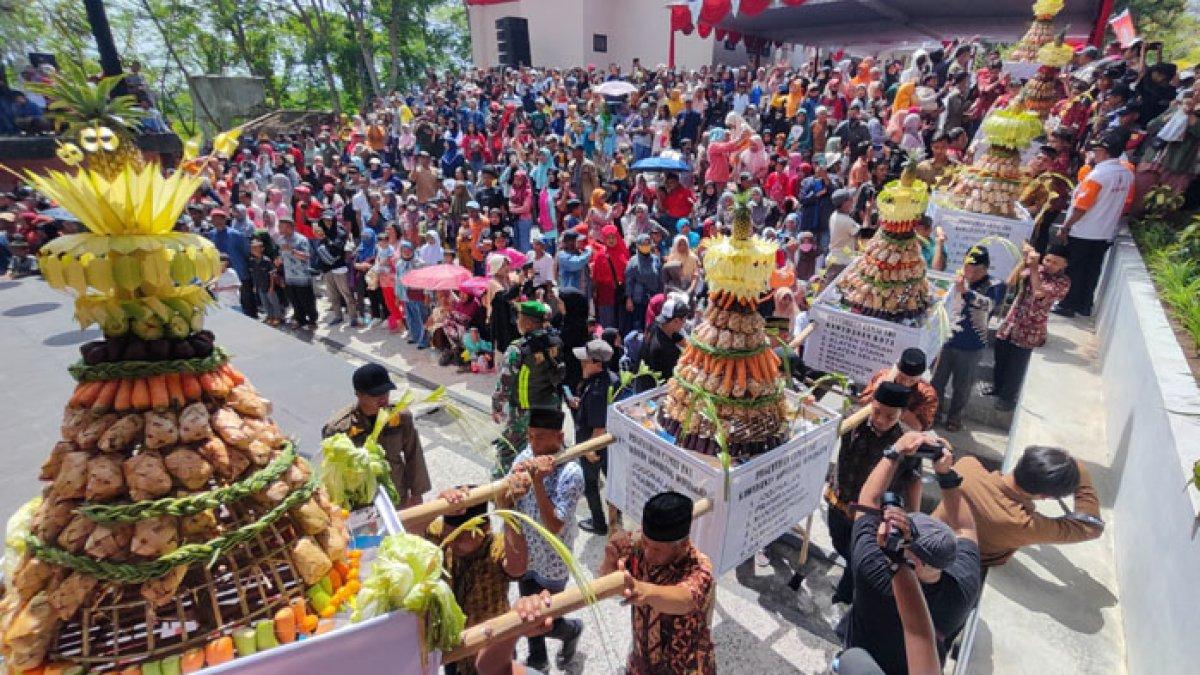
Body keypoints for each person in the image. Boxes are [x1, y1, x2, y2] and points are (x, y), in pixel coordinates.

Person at [847, 433, 982, 674]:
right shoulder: (963, 589)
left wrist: (896, 450)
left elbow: (869, 498)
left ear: (913, 557)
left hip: (863, 659)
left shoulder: (872, 569)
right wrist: (945, 475)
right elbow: (965, 528)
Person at [600, 491, 716, 674]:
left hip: (685, 667)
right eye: (645, 542)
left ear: (683, 545)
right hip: (642, 662)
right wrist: (610, 559)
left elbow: (686, 598)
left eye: (657, 549)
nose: (647, 553)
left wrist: (642, 590)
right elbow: (604, 582)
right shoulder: (639, 544)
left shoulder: (699, 567)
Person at [932, 445, 1103, 567]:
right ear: (1045, 497)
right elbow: (1091, 528)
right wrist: (1082, 476)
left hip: (927, 538)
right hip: (959, 568)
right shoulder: (1020, 523)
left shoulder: (966, 466)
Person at [418, 486, 528, 675]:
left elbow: (517, 567)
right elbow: (407, 532)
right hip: (454, 647)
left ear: (485, 528)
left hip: (488, 648)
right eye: (451, 534)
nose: (455, 541)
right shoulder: (443, 536)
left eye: (463, 535)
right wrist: (436, 506)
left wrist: (509, 512)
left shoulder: (496, 547)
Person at [506, 408, 585, 671]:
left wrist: (538, 481)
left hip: (552, 560)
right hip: (527, 554)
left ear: (558, 436)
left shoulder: (571, 473)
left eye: (539, 437)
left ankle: (571, 630)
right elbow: (509, 498)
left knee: (548, 619)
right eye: (530, 436)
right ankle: (537, 658)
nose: (533, 443)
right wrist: (515, 483)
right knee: (528, 615)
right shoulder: (527, 456)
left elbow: (555, 525)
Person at [826, 381, 918, 605]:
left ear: (902, 414)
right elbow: (821, 426)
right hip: (839, 501)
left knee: (857, 555)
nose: (881, 420)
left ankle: (846, 595)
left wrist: (913, 517)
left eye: (890, 416)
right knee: (840, 544)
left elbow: (912, 479)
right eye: (877, 412)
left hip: (871, 515)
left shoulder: (907, 442)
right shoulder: (851, 420)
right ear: (871, 404)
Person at [321, 363, 431, 507]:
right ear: (359, 394)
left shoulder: (399, 416)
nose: (383, 398)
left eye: (386, 392)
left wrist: (417, 494)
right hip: (362, 503)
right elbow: (334, 474)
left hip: (397, 495)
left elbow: (414, 454)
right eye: (375, 395)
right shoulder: (339, 428)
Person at [1053, 133, 1135, 318]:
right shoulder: (1126, 173)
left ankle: (1067, 304)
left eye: (1096, 151)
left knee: (1075, 269)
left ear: (1104, 152)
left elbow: (1082, 206)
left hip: (1084, 230)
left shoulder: (1098, 175)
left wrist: (1066, 226)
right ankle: (1084, 305)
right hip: (1105, 232)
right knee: (1092, 270)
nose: (1093, 154)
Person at [988, 244, 1071, 411]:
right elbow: (1011, 281)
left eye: (1055, 263)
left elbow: (1039, 292)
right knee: (1001, 358)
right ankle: (997, 388)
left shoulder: (1063, 282)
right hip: (1011, 322)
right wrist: (1024, 261)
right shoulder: (1036, 269)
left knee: (1016, 365)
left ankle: (1008, 398)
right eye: (1047, 260)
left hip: (1030, 329)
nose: (1049, 265)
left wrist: (1033, 269)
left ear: (1064, 265)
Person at [932, 247, 1005, 431]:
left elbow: (988, 305)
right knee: (937, 382)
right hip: (947, 339)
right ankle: (934, 413)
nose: (969, 273)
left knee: (962, 386)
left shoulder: (995, 285)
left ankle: (955, 417)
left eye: (976, 270)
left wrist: (967, 292)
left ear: (986, 268)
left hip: (971, 345)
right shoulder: (956, 278)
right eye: (967, 268)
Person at [492, 301, 566, 478]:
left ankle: (501, 491)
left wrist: (496, 407)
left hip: (524, 412)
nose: (517, 321)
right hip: (551, 407)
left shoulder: (517, 349)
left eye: (519, 318)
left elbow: (504, 383)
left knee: (506, 451)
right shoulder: (555, 341)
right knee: (545, 447)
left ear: (528, 322)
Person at [571, 339, 618, 535]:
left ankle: (599, 524)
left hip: (594, 447)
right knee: (613, 482)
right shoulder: (611, 379)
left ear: (597, 364)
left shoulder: (598, 390)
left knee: (591, 486)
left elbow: (599, 427)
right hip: (609, 447)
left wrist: (589, 449)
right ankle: (617, 519)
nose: (581, 363)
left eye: (585, 360)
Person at [859, 348, 939, 432]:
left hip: (903, 433)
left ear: (920, 377)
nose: (905, 383)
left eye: (911, 380)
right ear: (896, 370)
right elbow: (862, 403)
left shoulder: (926, 394)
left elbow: (919, 427)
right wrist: (879, 391)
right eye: (901, 377)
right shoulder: (884, 377)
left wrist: (897, 407)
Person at [633, 294, 689, 393]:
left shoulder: (656, 326)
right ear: (676, 321)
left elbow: (679, 339)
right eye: (684, 320)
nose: (684, 323)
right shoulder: (666, 349)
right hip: (651, 393)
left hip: (640, 383)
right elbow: (676, 377)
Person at [276, 216, 319, 329]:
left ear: (289, 227)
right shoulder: (281, 240)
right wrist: (278, 260)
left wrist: (291, 250)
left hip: (302, 276)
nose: (278, 228)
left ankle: (312, 320)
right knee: (294, 300)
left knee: (307, 300)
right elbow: (281, 255)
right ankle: (300, 319)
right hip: (289, 276)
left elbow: (306, 257)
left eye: (281, 226)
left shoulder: (301, 239)